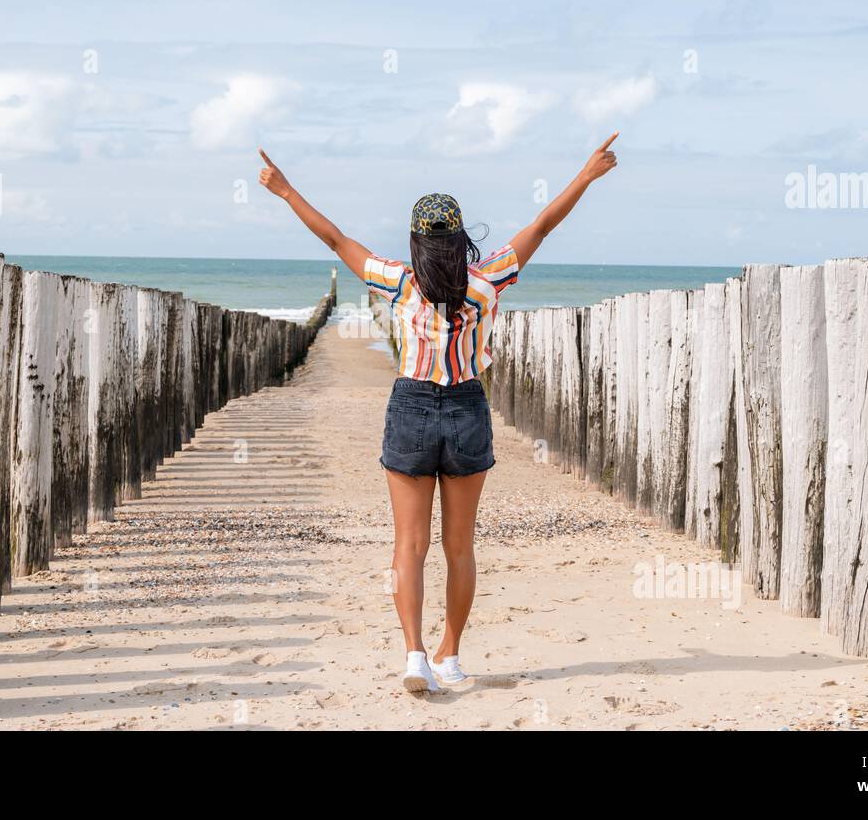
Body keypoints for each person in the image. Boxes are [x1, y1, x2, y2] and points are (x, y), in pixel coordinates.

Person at [258, 133, 619, 692]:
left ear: (416, 239)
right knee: (459, 547)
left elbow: (335, 239)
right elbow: (544, 226)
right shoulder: (488, 277)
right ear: (459, 237)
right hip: (467, 408)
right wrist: (586, 176)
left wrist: (285, 191)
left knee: (408, 545)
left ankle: (414, 654)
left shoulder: (400, 281)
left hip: (412, 406)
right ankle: (451, 654)